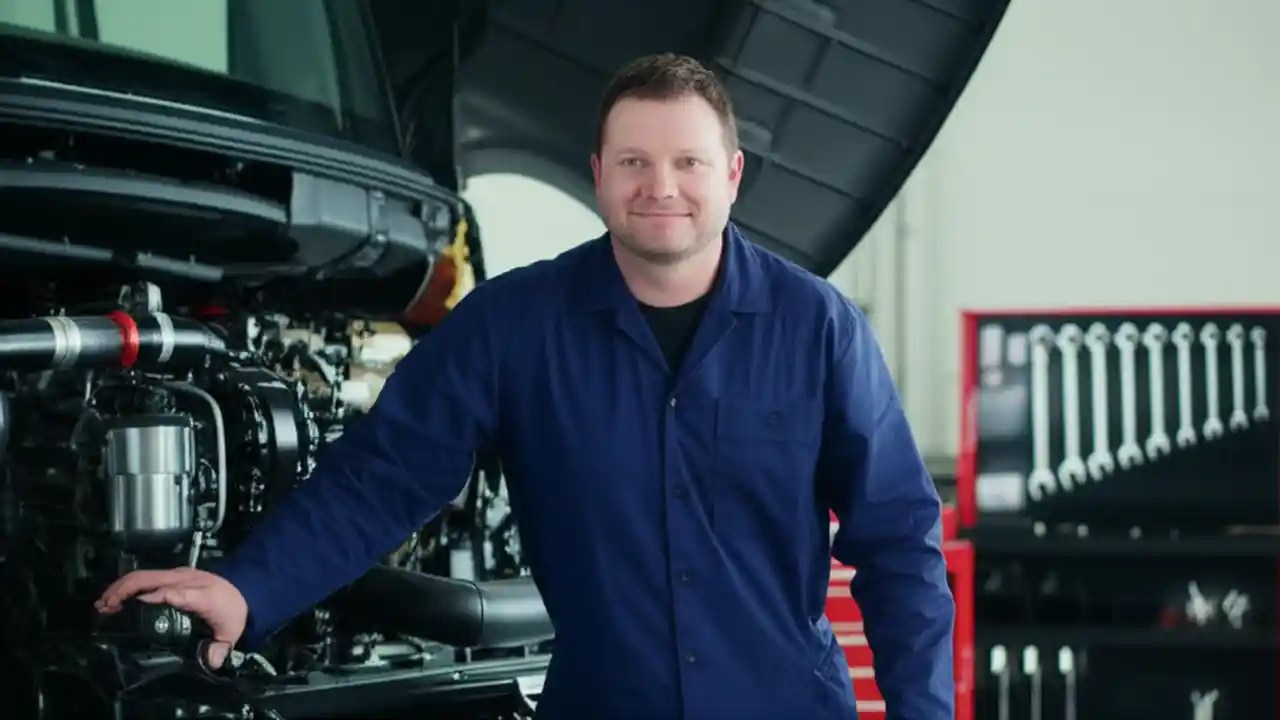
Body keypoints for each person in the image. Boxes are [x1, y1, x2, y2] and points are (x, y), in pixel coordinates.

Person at [96, 52, 955, 718]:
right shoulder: (514, 326)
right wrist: (249, 590)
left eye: (689, 163)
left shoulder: (819, 330)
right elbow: (383, 476)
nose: (661, 187)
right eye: (634, 162)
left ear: (731, 176)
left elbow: (899, 542)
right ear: (599, 174)